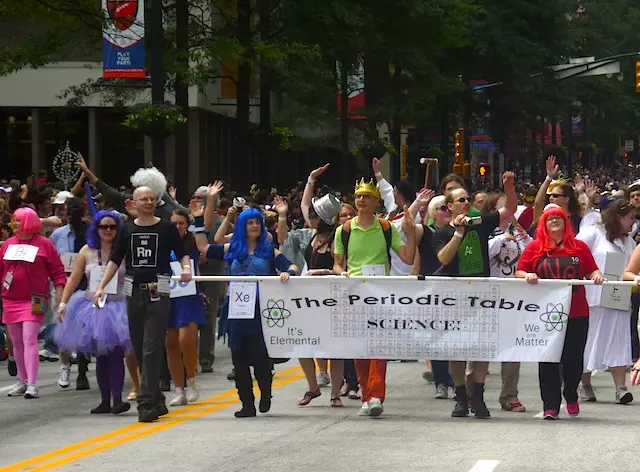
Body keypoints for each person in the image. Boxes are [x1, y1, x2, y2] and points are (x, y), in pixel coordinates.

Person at [93, 186, 193, 423]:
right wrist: (101, 286)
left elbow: (182, 253)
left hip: (159, 289)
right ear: (133, 203)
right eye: (143, 199)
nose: (148, 202)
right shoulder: (127, 229)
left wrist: (186, 268)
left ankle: (145, 402)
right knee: (138, 347)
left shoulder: (167, 227)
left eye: (152, 198)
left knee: (151, 346)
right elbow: (115, 260)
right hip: (133, 291)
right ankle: (157, 397)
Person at [192, 203, 298, 418]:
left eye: (257, 222)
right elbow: (203, 248)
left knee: (260, 357)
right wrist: (198, 222)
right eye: (250, 222)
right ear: (242, 225)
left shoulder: (268, 249)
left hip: (261, 309)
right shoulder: (233, 249)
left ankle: (265, 393)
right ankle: (247, 404)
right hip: (236, 310)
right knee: (238, 359)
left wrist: (288, 274)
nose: (254, 225)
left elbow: (291, 265)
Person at [432, 172, 517, 418]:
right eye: (461, 201)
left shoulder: (480, 221)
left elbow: (510, 209)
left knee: (481, 346)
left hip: (481, 295)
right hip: (454, 297)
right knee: (456, 349)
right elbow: (444, 258)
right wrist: (458, 233)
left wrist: (508, 186)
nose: (467, 204)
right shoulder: (442, 233)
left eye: (468, 199)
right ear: (449, 207)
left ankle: (477, 397)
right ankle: (460, 397)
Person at [333, 178, 416, 418]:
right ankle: (368, 395)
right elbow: (338, 264)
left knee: (378, 347)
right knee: (360, 349)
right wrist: (343, 273)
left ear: (375, 201)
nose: (361, 200)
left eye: (367, 196)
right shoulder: (344, 230)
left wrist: (410, 234)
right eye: (359, 196)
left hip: (380, 294)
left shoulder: (386, 228)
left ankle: (376, 395)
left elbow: (407, 258)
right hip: (355, 294)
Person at [516, 206, 604, 420]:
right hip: (546, 314)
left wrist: (597, 275)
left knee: (573, 359)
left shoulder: (579, 247)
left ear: (566, 223)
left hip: (576, 312)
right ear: (543, 224)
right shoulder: (535, 247)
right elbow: (519, 270)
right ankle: (551, 405)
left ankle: (571, 393)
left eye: (559, 218)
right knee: (547, 360)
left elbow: (592, 269)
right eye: (549, 218)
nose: (554, 221)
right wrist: (527, 276)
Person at [55, 210, 132, 414]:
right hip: (93, 307)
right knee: (101, 356)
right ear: (96, 229)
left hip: (118, 305)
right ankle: (105, 400)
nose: (107, 231)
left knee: (116, 354)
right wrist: (63, 303)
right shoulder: (87, 251)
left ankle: (117, 399)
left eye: (112, 227)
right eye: (103, 227)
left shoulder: (125, 250)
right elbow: (73, 279)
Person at [1, 207, 66, 398]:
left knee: (30, 338)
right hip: (10, 299)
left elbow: (57, 270)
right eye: (14, 220)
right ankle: (22, 380)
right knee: (16, 341)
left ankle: (32, 383)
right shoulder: (8, 245)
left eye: (19, 220)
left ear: (29, 221)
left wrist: (59, 290)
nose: (15, 224)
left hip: (36, 298)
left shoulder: (44, 244)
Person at [577, 200, 636, 404]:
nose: (633, 223)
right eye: (630, 218)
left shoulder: (629, 242)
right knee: (591, 340)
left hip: (620, 297)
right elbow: (575, 253)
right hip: (594, 297)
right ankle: (583, 383)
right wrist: (590, 273)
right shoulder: (594, 233)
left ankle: (620, 388)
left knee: (619, 340)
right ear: (619, 217)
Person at [166, 208, 206, 406]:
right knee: (170, 344)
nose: (178, 227)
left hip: (189, 297)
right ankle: (178, 389)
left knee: (186, 341)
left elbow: (203, 244)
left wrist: (199, 217)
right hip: (169, 297)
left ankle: (191, 382)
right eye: (174, 223)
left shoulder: (192, 243)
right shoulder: (162, 242)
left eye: (181, 223)